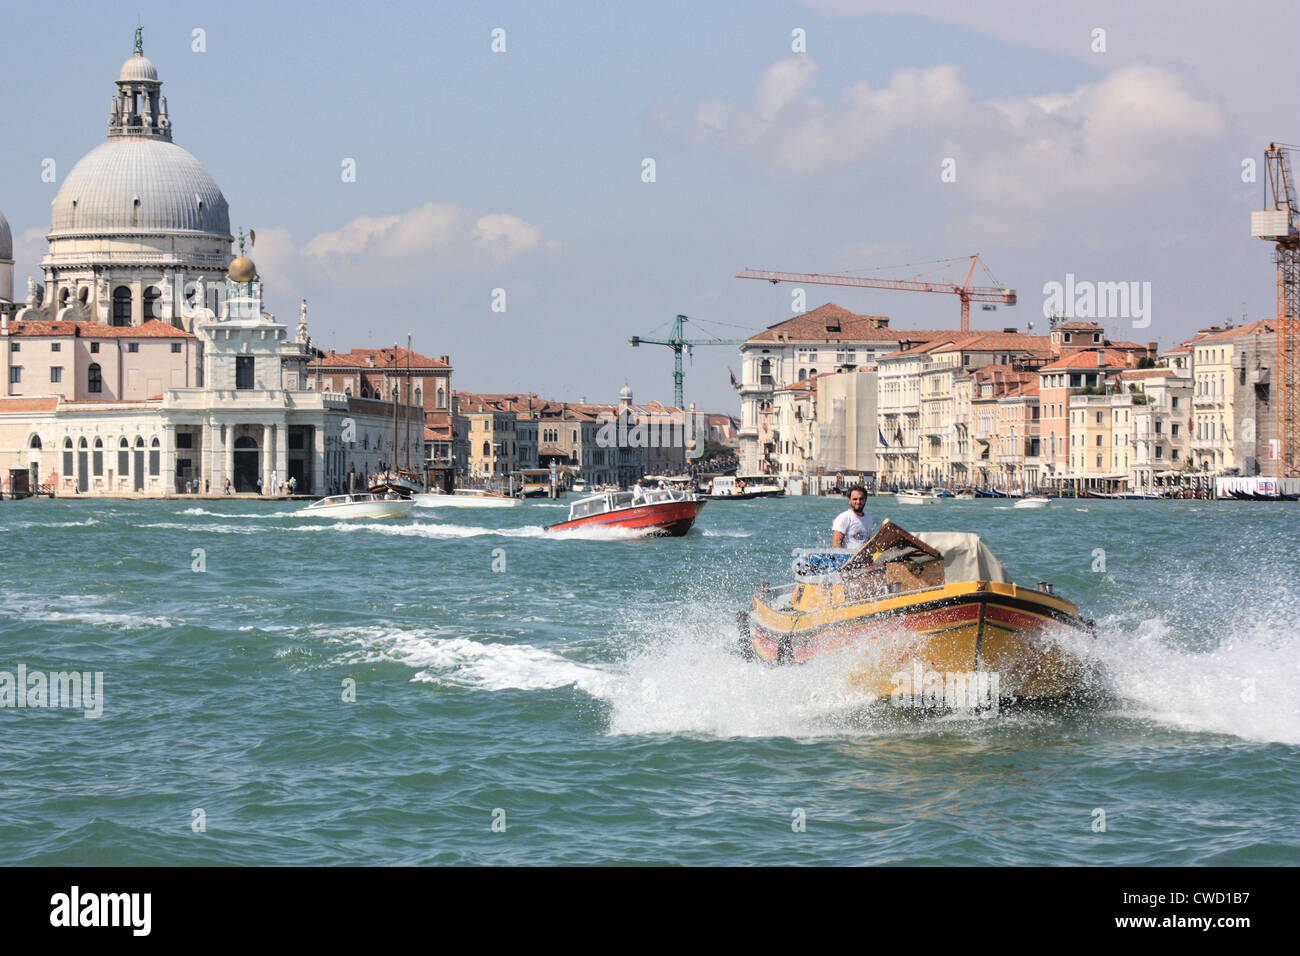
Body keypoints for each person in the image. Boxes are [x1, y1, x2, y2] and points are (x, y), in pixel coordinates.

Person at [832, 485, 872, 551]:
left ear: (865, 500)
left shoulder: (868, 518)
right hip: (847, 559)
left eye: (861, 499)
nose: (858, 502)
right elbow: (836, 545)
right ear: (849, 500)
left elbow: (868, 543)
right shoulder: (843, 518)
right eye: (855, 499)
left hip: (864, 559)